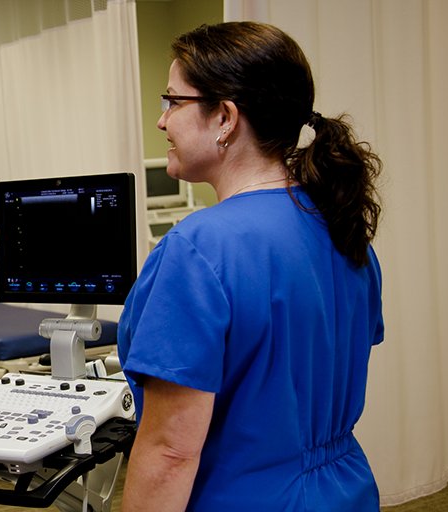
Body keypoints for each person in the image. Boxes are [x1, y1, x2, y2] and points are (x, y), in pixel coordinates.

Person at [118, 22, 384, 511]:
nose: (162, 121)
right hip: (346, 493)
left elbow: (170, 452)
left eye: (172, 102)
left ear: (225, 117)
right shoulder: (345, 232)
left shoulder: (198, 250)